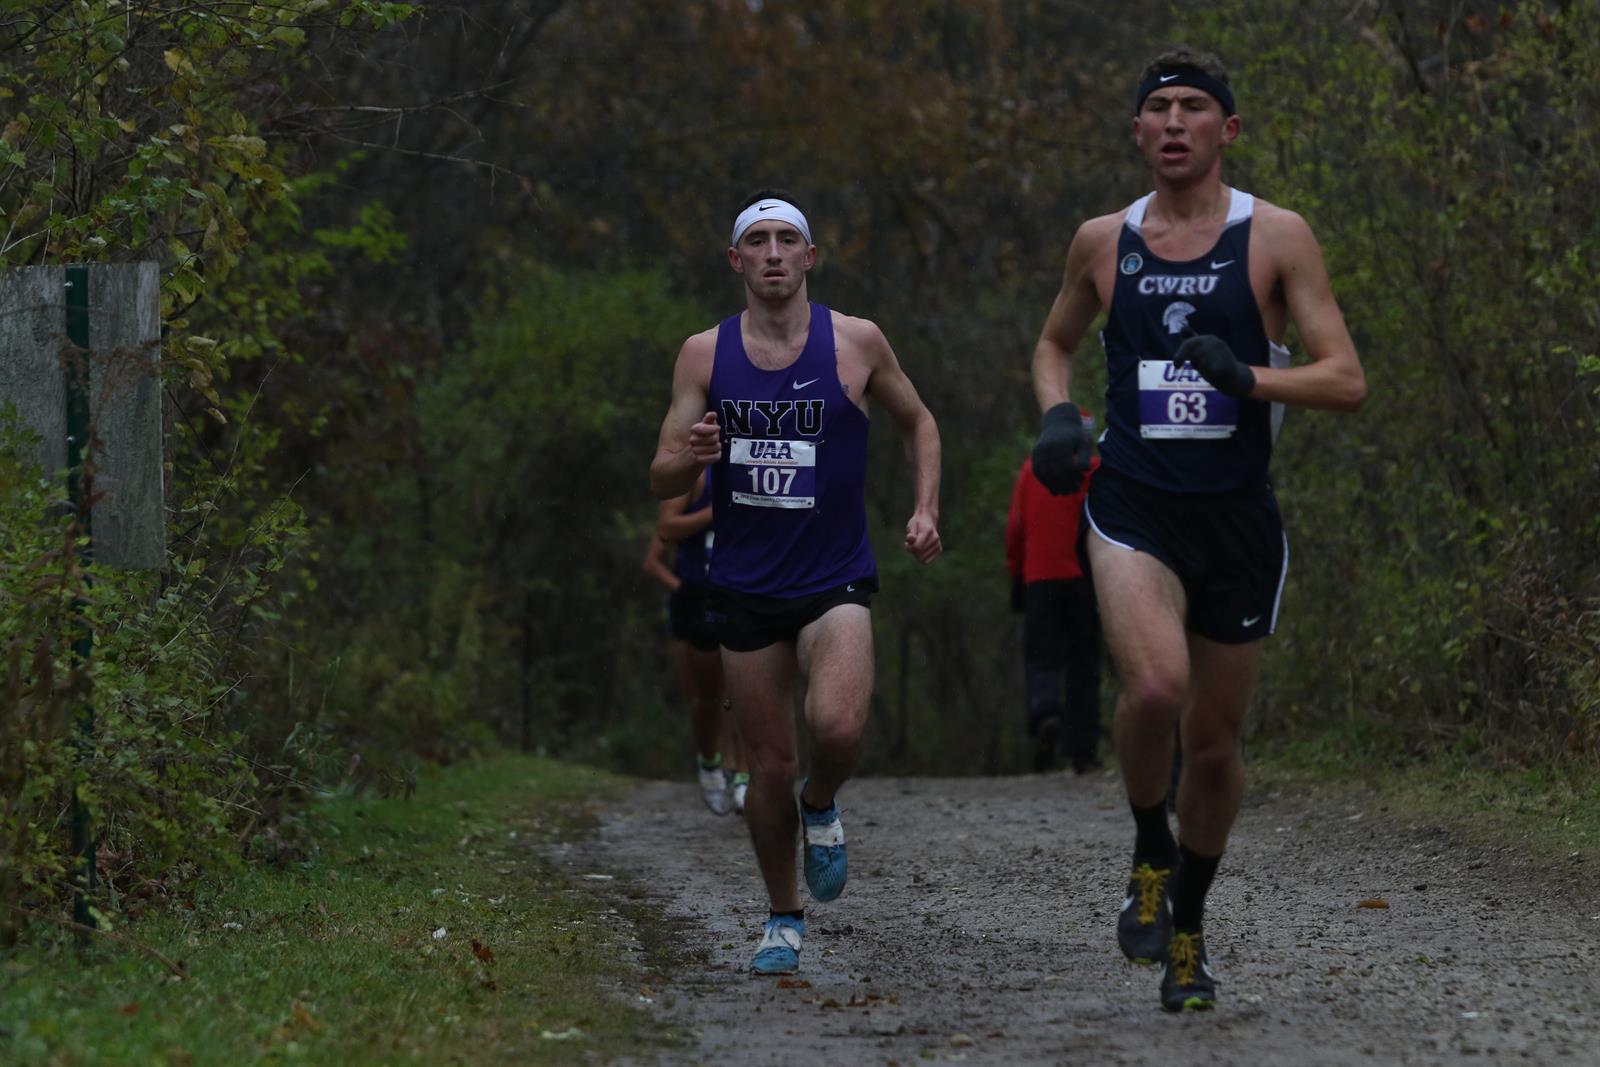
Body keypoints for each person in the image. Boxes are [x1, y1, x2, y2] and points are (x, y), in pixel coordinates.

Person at [1028, 47, 1366, 1011]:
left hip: (1238, 519)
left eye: (1194, 108)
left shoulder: (1276, 236)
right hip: (1133, 503)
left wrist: (1251, 376)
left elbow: (1345, 377)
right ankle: (1147, 842)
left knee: (1214, 746)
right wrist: (1058, 414)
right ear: (1137, 132)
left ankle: (1189, 930)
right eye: (1158, 109)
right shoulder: (1102, 240)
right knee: (1157, 684)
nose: (1175, 122)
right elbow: (1054, 344)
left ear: (1227, 129)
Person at [650, 189, 942, 976]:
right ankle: (782, 915)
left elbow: (920, 420)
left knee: (839, 728)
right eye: (758, 241)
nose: (773, 253)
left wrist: (924, 508)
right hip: (741, 583)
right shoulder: (703, 355)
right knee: (767, 768)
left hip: (833, 574)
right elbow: (661, 472)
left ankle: (823, 802)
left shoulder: (855, 343)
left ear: (810, 257)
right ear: (736, 259)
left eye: (787, 240)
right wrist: (696, 454)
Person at [640, 470, 748, 815]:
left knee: (742, 690)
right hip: (696, 597)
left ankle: (742, 775)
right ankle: (710, 759)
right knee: (708, 696)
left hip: (744, 592)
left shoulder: (756, 465)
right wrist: (717, 511)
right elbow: (665, 530)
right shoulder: (697, 476)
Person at [1004, 418, 1104, 774]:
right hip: (1085, 577)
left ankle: (1046, 713)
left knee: (1042, 657)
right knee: (1084, 664)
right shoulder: (1096, 470)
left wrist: (1017, 570)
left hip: (1039, 577)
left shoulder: (1032, 470)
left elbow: (1015, 526)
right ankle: (1083, 751)